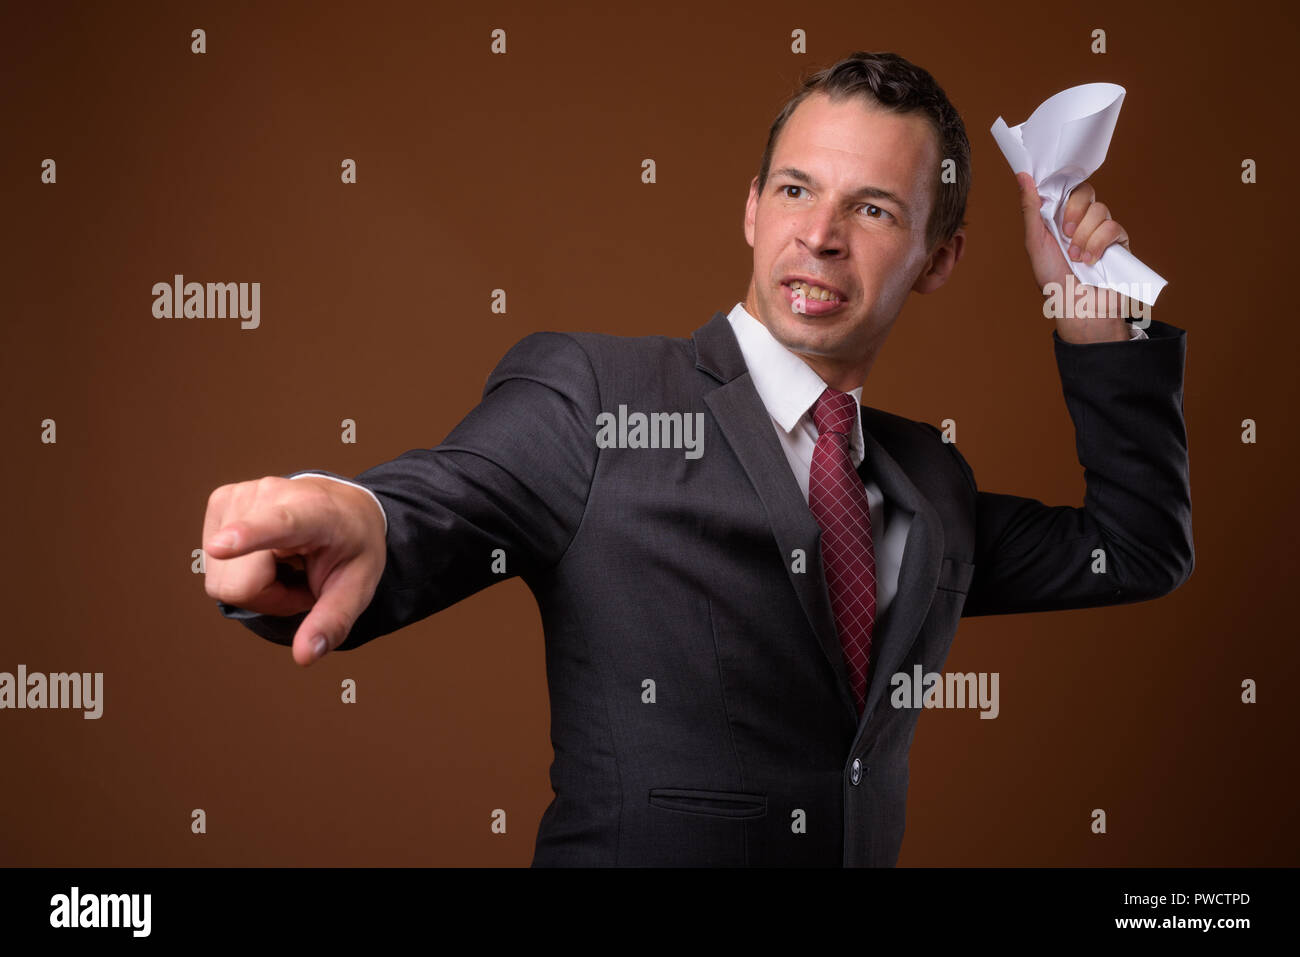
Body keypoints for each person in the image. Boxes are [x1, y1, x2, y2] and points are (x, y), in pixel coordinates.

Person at [203, 51, 1192, 866]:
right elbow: (461, 493)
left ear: (938, 258)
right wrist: (359, 513)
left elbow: (1137, 547)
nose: (820, 236)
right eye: (797, 191)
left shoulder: (927, 486)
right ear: (752, 208)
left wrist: (1087, 321)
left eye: (875, 210)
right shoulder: (597, 397)